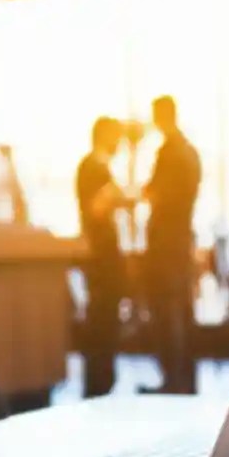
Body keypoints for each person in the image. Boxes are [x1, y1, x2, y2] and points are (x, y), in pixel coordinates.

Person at [142, 96, 202, 394]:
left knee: (167, 314)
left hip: (166, 246)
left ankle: (172, 381)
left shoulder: (169, 153)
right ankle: (185, 381)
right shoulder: (190, 152)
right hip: (181, 242)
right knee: (182, 312)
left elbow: (156, 194)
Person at [76, 117, 131, 397]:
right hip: (101, 260)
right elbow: (97, 208)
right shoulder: (93, 168)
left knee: (106, 320)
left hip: (104, 259)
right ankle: (99, 383)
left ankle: (102, 380)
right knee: (101, 321)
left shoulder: (97, 167)